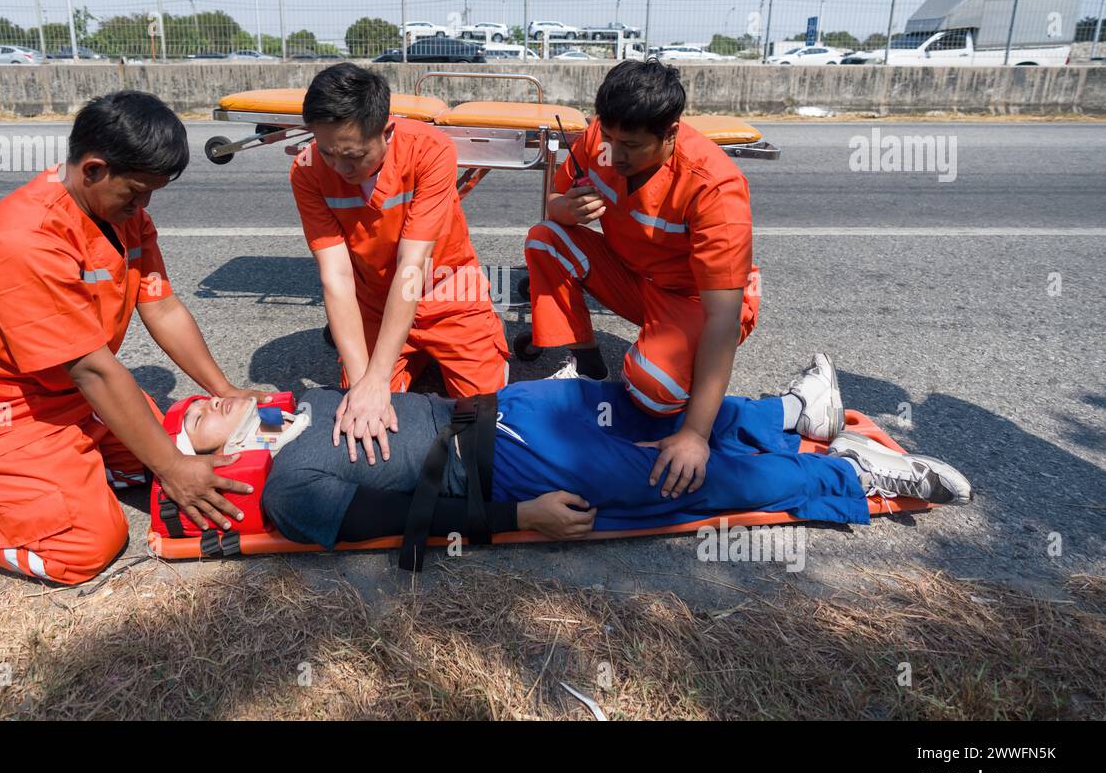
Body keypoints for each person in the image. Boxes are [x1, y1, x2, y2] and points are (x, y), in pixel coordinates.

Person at [0, 91, 270, 584]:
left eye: (151, 195)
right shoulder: (25, 240)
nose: (143, 207)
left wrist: (224, 390)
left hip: (56, 390)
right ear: (93, 169)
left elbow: (159, 304)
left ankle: (46, 482)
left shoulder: (123, 218)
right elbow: (93, 369)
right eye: (136, 192)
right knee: (85, 545)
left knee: (166, 455)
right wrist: (173, 469)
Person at [168, 355, 971, 567]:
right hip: (503, 473)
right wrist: (519, 518)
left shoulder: (293, 406)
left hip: (507, 408)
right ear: (207, 466)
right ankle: (852, 472)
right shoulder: (289, 489)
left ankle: (794, 413)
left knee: (647, 405)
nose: (197, 404)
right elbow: (404, 519)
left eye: (195, 400)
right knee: (679, 477)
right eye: (186, 423)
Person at [523, 59, 760, 498]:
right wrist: (564, 209)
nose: (614, 153)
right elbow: (554, 204)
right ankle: (585, 362)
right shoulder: (603, 137)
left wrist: (694, 435)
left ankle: (748, 407)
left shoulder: (715, 188)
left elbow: (722, 319)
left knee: (655, 393)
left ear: (670, 132)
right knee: (544, 239)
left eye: (629, 145)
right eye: (608, 138)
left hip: (695, 302)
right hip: (635, 277)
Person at [290, 63, 510, 467]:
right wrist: (364, 382)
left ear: (386, 131)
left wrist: (378, 378)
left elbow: (413, 266)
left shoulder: (431, 150)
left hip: (448, 291)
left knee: (487, 416)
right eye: (327, 152)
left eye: (353, 155)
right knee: (361, 420)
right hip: (374, 300)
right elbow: (336, 277)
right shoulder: (306, 171)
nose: (340, 169)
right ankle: (407, 365)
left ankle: (437, 357)